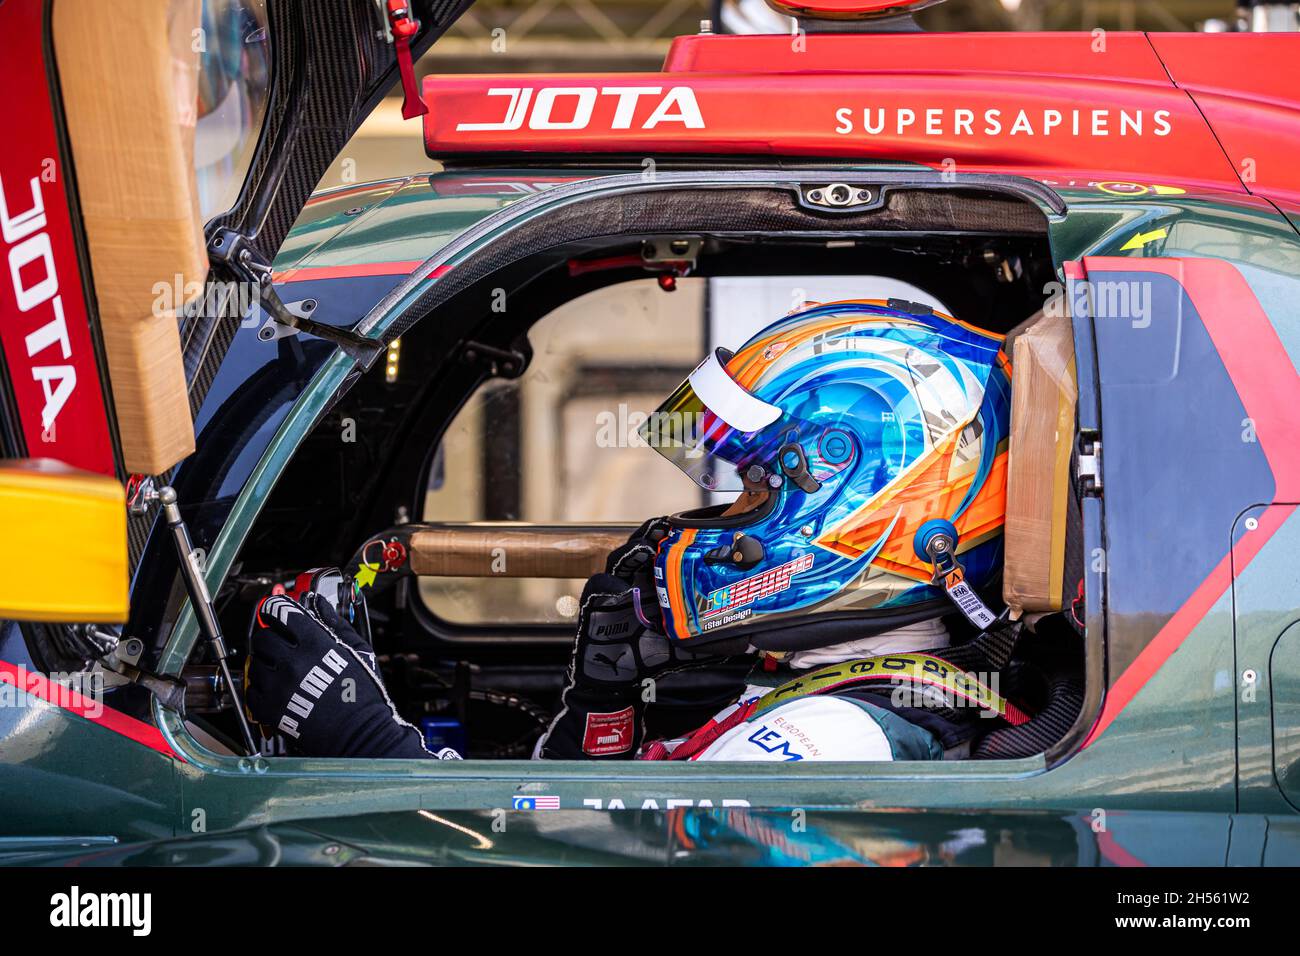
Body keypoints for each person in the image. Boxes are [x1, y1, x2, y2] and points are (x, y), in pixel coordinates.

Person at [248, 300, 1020, 761]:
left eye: (753, 488)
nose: (716, 522)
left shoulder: (833, 739)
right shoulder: (826, 688)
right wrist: (602, 706)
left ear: (868, 504)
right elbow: (585, 820)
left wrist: (374, 754)